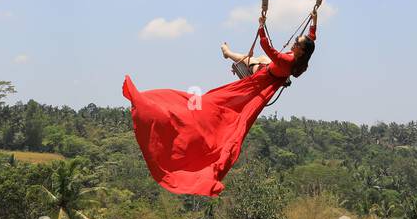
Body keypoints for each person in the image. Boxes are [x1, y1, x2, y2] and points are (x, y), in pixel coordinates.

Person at [122, 14, 317, 197]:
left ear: (300, 50)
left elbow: (268, 47)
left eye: (296, 43)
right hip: (270, 75)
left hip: (260, 79)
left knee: (255, 62)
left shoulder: (287, 59)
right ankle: (231, 55)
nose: (294, 43)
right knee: (259, 60)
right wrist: (314, 19)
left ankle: (229, 53)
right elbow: (312, 38)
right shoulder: (302, 60)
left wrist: (261, 27)